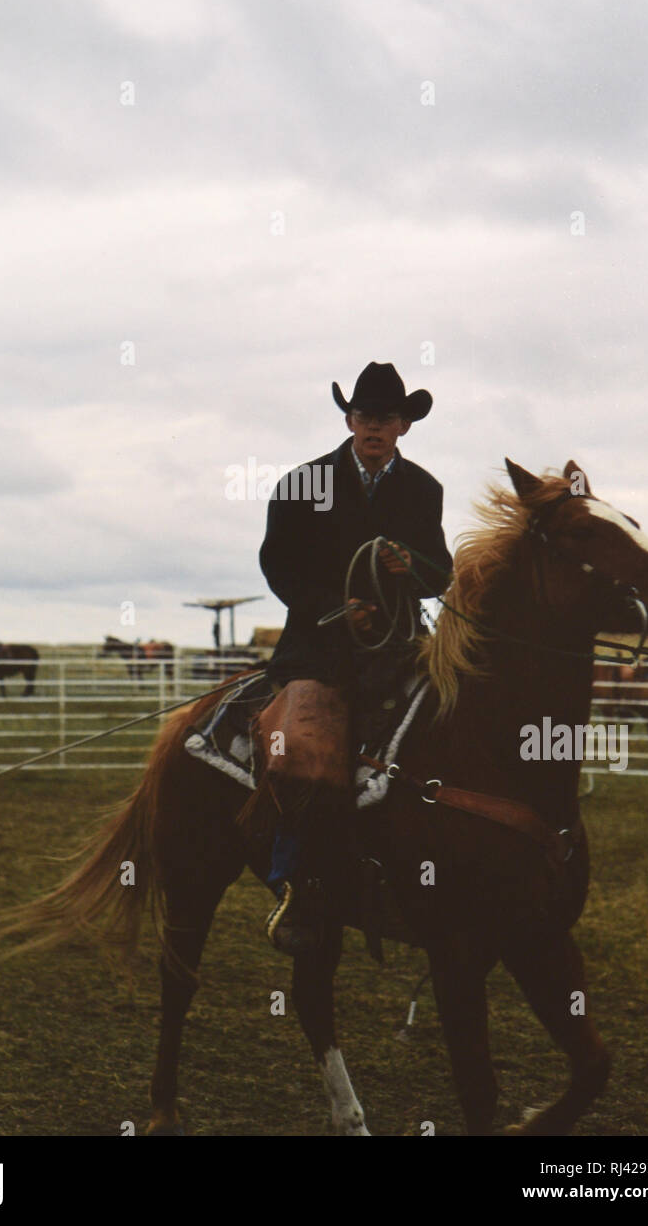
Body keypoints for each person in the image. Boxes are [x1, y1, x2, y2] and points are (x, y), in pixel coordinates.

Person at [258, 361, 452, 954]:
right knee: (310, 751)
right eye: (365, 416)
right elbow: (277, 564)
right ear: (349, 419)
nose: (374, 427)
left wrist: (410, 569)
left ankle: (430, 871)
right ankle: (300, 880)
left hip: (398, 648)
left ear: (403, 427)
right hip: (317, 646)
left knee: (447, 735)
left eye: (387, 418)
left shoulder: (424, 489)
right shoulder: (302, 482)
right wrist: (335, 609)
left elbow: (439, 573)